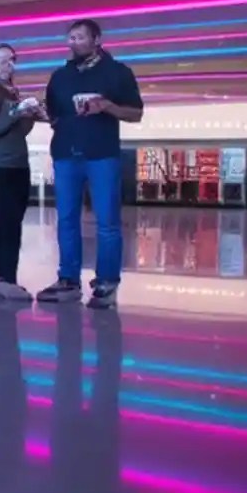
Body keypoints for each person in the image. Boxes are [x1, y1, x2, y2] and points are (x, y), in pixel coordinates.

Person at [37, 20, 144, 309]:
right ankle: (68, 280)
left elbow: (135, 114)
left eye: (80, 37)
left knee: (107, 221)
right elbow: (54, 115)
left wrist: (107, 106)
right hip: (65, 154)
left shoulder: (118, 73)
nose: (73, 42)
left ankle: (107, 282)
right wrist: (38, 114)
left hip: (102, 155)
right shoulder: (60, 76)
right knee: (66, 219)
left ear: (96, 39)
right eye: (70, 38)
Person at [0, 44, 42, 301]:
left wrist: (30, 114)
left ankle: (3, 279)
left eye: (11, 60)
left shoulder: (11, 91)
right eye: (2, 60)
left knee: (10, 222)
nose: (8, 64)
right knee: (7, 220)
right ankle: (3, 279)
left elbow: (18, 131)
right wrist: (15, 112)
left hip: (17, 163)